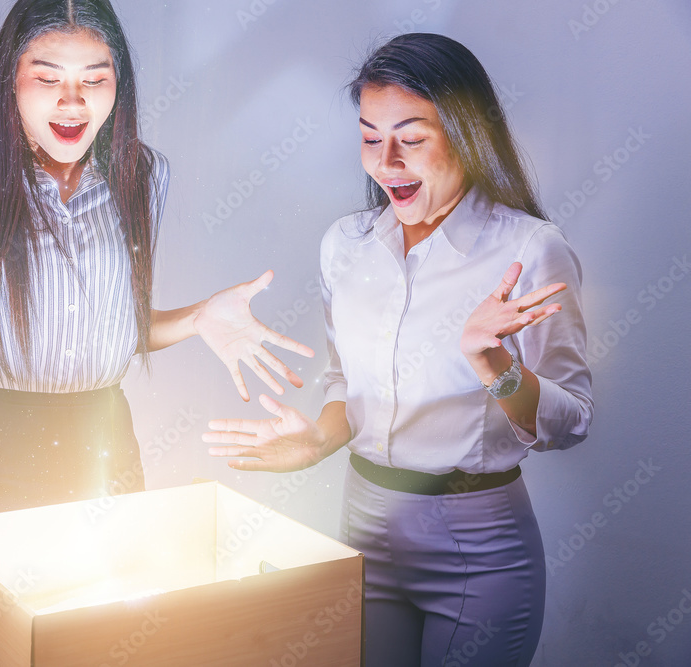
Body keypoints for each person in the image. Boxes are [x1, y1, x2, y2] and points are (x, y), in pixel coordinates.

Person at [0, 0, 312, 520]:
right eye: (48, 79)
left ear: (119, 85)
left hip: (106, 441)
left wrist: (198, 316)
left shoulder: (143, 175)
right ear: (11, 79)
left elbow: (122, 327)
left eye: (94, 81)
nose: (73, 102)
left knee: (109, 598)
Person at [206, 33, 592, 666]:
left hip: (479, 544)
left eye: (411, 138)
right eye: (368, 136)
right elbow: (344, 384)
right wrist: (316, 443)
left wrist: (493, 364)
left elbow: (573, 420)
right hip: (364, 526)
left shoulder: (529, 249)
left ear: (468, 134)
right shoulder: (345, 246)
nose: (386, 161)